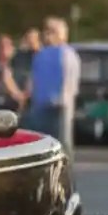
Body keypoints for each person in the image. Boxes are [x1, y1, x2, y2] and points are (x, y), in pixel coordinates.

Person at [25, 17, 81, 154]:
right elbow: (34, 80)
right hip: (43, 106)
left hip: (58, 107)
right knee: (44, 143)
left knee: (60, 144)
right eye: (47, 32)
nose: (47, 35)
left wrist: (62, 100)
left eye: (52, 32)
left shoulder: (66, 54)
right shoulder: (42, 55)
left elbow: (70, 82)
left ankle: (63, 171)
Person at [0, 34, 26, 114]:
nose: (5, 48)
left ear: (13, 50)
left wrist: (11, 86)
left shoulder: (20, 73)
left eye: (8, 45)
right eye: (2, 46)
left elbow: (22, 98)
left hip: (13, 113)